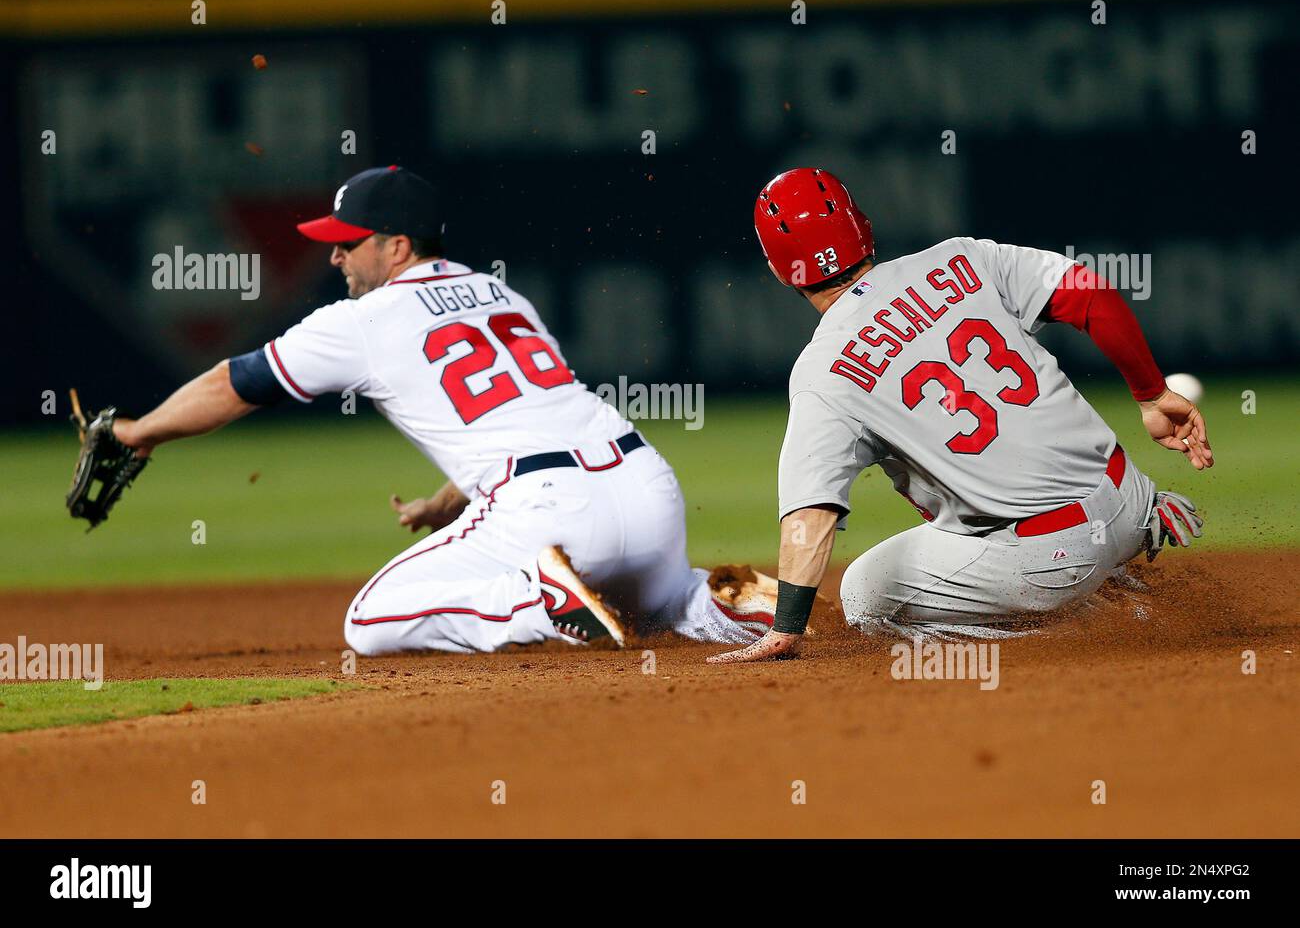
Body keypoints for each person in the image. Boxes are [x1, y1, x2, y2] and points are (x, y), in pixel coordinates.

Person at [111, 165, 771, 654]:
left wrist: (139, 432)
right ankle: (725, 600)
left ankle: (538, 606)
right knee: (651, 609)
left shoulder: (362, 320)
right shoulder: (498, 292)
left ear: (397, 247)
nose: (334, 253)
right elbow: (530, 414)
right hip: (646, 485)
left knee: (369, 622)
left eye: (350, 239)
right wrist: (447, 499)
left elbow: (236, 383)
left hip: (548, 510)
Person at [709, 167, 1209, 664]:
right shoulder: (960, 257)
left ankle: (1077, 634)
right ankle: (1124, 554)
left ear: (778, 270)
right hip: (1129, 496)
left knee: (863, 595)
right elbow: (1089, 292)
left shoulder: (822, 373)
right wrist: (1151, 395)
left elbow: (810, 511)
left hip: (1047, 562)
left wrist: (786, 629)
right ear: (863, 227)